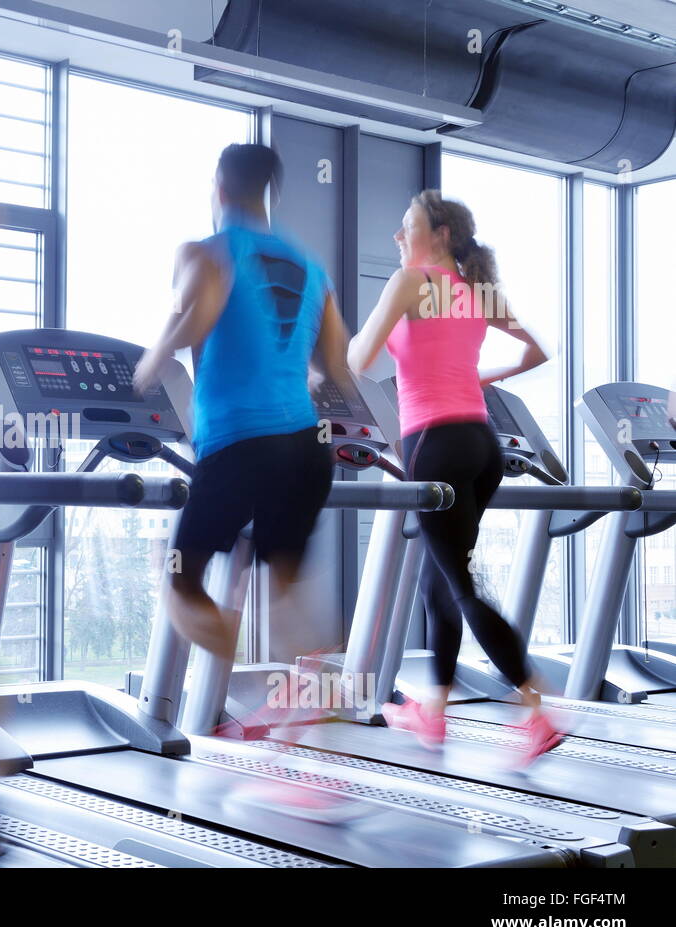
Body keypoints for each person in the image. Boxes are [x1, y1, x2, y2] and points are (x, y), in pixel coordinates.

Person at [134, 144, 360, 817]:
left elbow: (189, 323)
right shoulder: (309, 264)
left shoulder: (204, 252)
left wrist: (147, 368)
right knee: (286, 592)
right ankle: (310, 738)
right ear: (270, 191)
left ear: (218, 186)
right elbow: (339, 368)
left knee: (177, 575)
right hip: (304, 448)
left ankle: (256, 701)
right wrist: (301, 375)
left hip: (239, 447)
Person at [346, 188, 562, 765]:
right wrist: (474, 379)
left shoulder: (412, 281)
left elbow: (359, 359)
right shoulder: (476, 291)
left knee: (461, 585)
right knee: (443, 578)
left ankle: (536, 707)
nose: (397, 237)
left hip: (433, 443)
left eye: (406, 225)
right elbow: (538, 352)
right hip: (480, 443)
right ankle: (434, 711)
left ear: (439, 234)